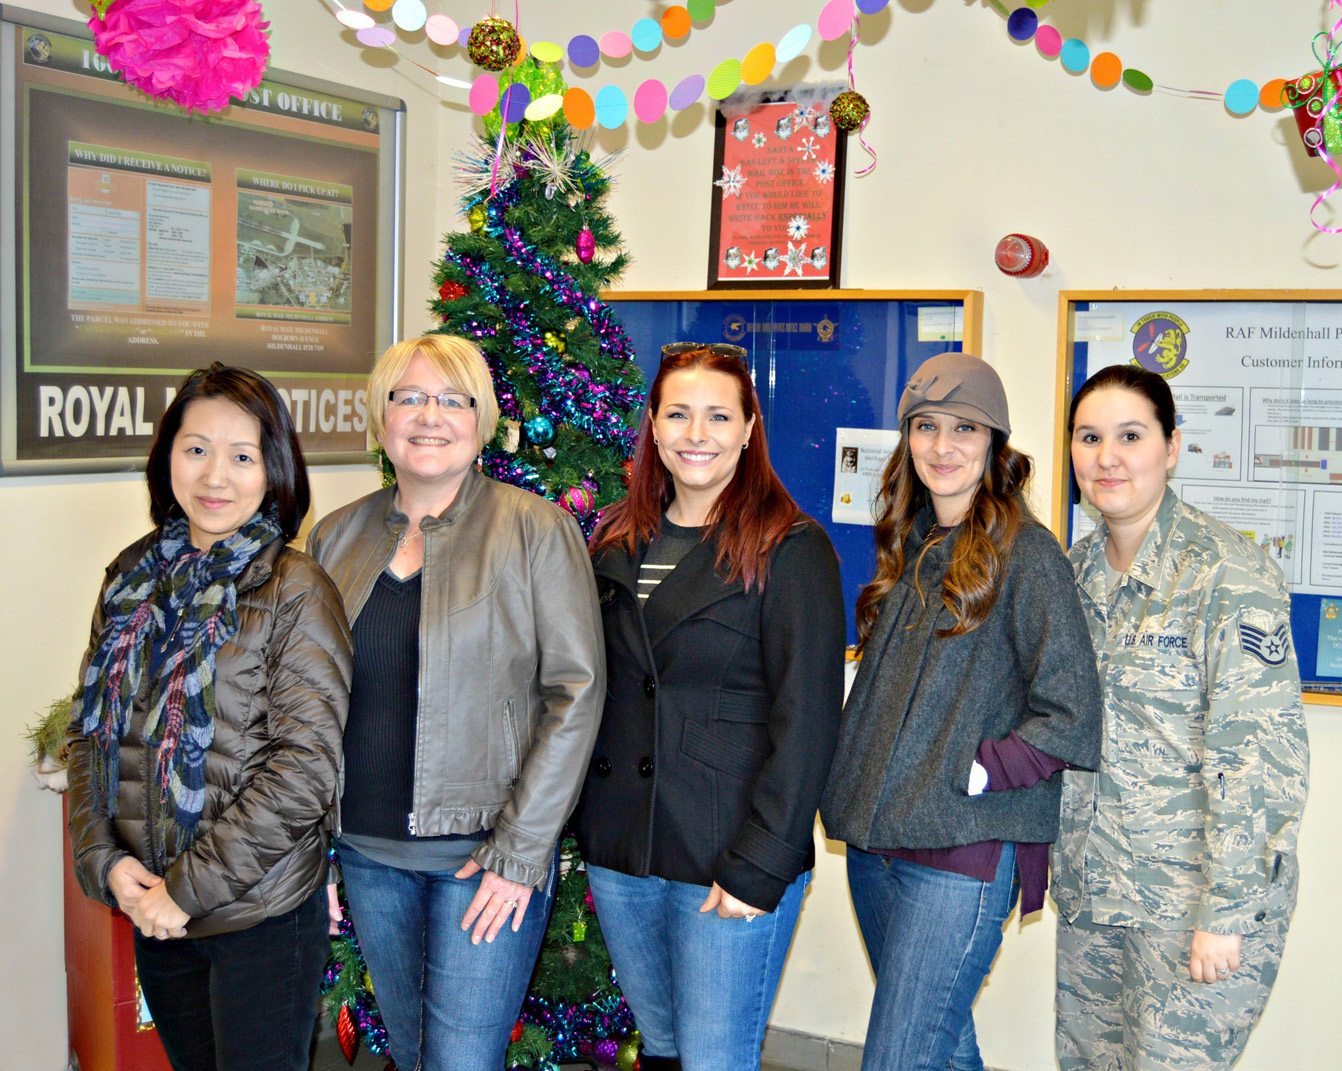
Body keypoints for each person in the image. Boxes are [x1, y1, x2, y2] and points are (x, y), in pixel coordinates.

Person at [307, 334, 605, 1071]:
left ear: (484, 421)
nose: (429, 415)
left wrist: (519, 850)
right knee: (412, 1055)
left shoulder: (535, 529)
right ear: (381, 418)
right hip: (369, 852)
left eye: (452, 398)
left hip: (483, 857)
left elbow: (576, 692)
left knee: (461, 1060)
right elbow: (304, 705)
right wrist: (317, 847)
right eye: (408, 397)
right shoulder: (335, 536)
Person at [822, 352, 1103, 1071]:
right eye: (923, 426)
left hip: (965, 853)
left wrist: (976, 772)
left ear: (994, 444)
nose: (941, 447)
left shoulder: (1030, 555)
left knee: (896, 1058)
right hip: (878, 848)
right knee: (940, 1050)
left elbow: (1070, 709)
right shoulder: (909, 544)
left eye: (964, 428)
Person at [66, 364, 352, 1071]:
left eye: (242, 455)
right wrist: (104, 860)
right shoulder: (132, 575)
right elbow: (91, 734)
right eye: (196, 449)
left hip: (259, 915)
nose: (214, 475)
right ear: (167, 457)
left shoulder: (295, 589)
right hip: (156, 905)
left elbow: (304, 769)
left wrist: (185, 889)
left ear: (273, 470)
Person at [573, 343, 846, 1071]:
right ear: (654, 427)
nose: (698, 433)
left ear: (750, 428)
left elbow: (809, 723)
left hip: (729, 856)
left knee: (714, 1058)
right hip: (623, 849)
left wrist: (761, 864)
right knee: (662, 1051)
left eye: (719, 415)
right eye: (680, 413)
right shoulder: (612, 540)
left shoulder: (791, 548)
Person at [1055, 364, 1309, 1071]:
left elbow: (1259, 756)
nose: (1107, 457)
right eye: (1089, 436)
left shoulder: (1228, 573)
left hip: (1191, 903)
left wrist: (1225, 914)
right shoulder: (1072, 573)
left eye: (1130, 435)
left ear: (1170, 446)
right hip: (1093, 893)